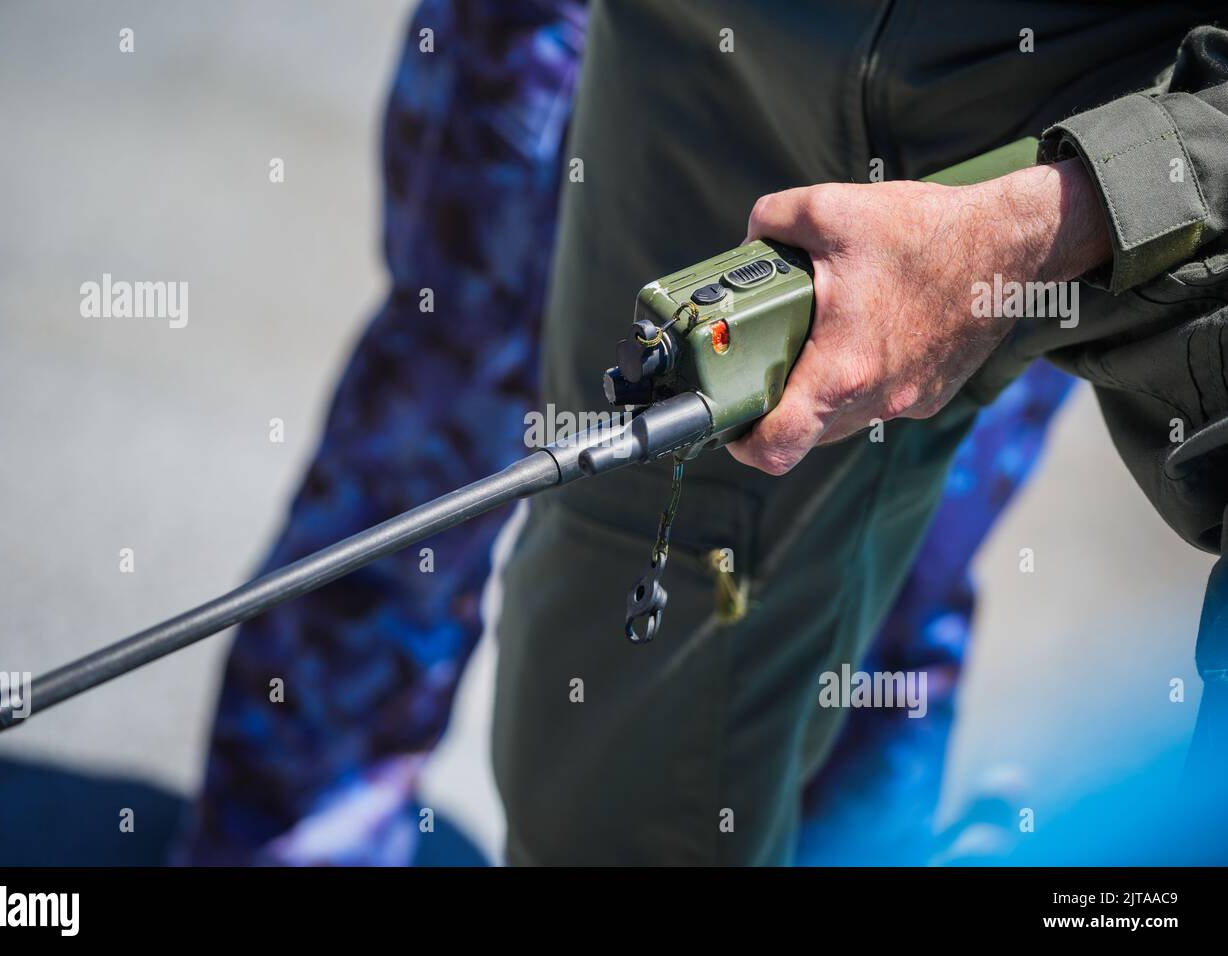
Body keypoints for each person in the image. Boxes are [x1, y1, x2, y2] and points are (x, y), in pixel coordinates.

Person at [179, 1, 1227, 866]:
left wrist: (1059, 213)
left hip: (1096, 82)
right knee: (528, 449)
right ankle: (295, 823)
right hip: (687, 58)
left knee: (900, 551)